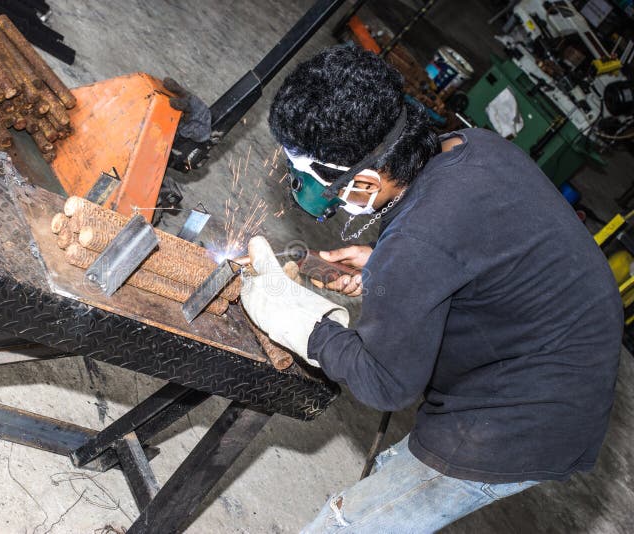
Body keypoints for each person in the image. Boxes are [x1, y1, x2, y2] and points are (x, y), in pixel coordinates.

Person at [240, 45, 623, 533]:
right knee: (387, 480)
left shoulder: (419, 243)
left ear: (362, 184)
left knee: (349, 525)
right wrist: (387, 268)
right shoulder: (470, 145)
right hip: (550, 347)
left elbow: (386, 384)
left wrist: (305, 326)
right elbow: (467, 252)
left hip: (523, 418)